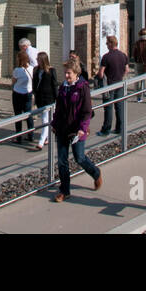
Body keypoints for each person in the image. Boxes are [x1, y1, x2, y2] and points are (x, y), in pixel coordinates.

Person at [51, 58, 102, 202]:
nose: (66, 76)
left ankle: (95, 172)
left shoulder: (82, 87)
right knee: (62, 161)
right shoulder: (63, 87)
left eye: (69, 73)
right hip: (62, 128)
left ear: (76, 73)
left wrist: (82, 128)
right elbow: (59, 107)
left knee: (79, 157)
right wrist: (54, 123)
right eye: (65, 73)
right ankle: (64, 190)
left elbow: (87, 111)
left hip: (77, 129)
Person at [96, 36, 129, 135]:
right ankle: (120, 128)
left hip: (109, 85)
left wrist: (99, 79)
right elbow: (127, 69)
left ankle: (106, 130)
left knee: (108, 108)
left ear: (111, 44)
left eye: (107, 43)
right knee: (119, 106)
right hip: (119, 83)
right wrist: (120, 76)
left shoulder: (106, 57)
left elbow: (101, 73)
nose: (106, 45)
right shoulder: (123, 55)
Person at [32, 52, 58, 151]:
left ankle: (41, 142)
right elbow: (34, 83)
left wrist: (57, 99)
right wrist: (34, 94)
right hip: (40, 98)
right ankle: (47, 137)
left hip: (49, 98)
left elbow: (54, 85)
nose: (37, 60)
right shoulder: (36, 70)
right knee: (46, 119)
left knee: (45, 120)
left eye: (38, 59)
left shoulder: (51, 71)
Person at [11, 51, 35, 143]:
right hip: (28, 92)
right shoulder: (32, 69)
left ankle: (19, 137)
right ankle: (31, 135)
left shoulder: (17, 70)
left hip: (18, 93)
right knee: (28, 114)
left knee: (18, 115)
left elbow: (13, 81)